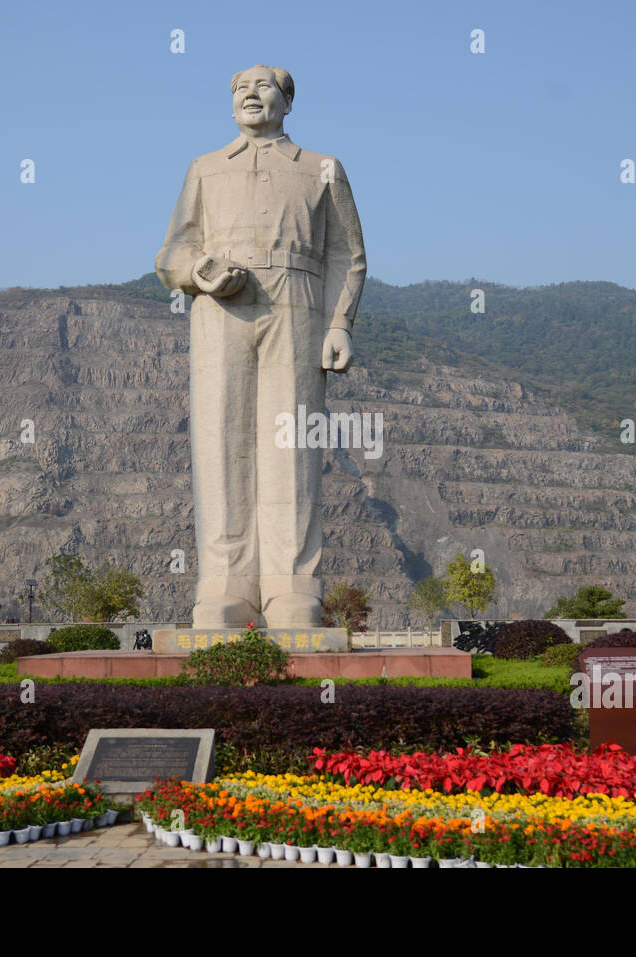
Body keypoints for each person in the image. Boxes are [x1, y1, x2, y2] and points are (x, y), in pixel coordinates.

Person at [156, 65, 367, 628]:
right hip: (220, 307)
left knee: (292, 444)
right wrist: (200, 270)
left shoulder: (322, 169)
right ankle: (225, 587)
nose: (251, 94)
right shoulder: (204, 169)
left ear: (288, 101)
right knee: (219, 442)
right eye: (240, 89)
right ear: (230, 106)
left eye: (264, 86)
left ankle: (293, 589)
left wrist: (339, 323)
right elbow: (171, 254)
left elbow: (347, 254)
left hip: (296, 302)